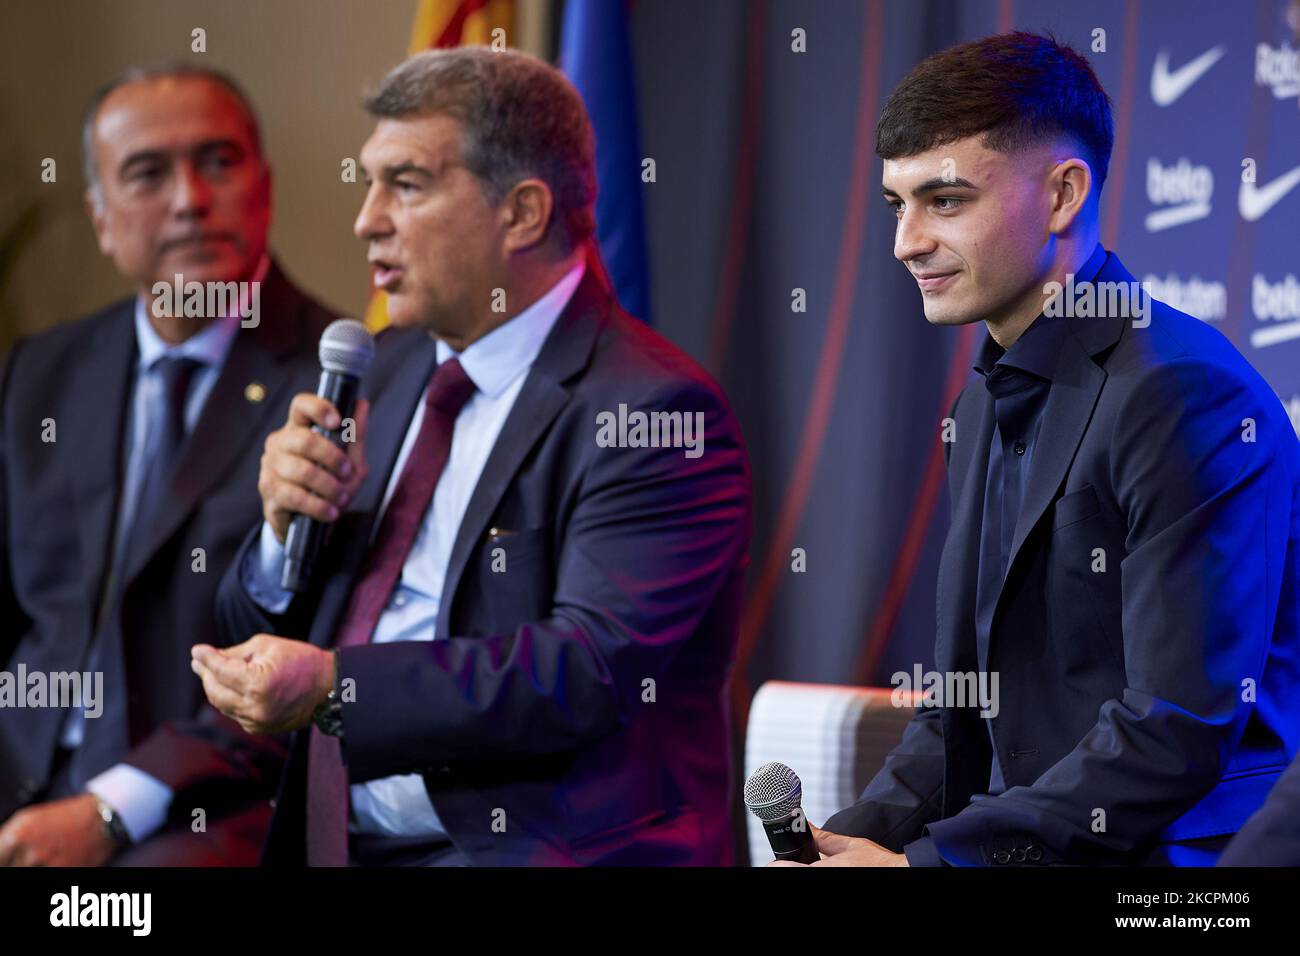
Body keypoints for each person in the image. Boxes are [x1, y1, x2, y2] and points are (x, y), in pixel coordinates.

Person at [197, 47, 753, 866]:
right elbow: (259, 631)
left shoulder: (656, 411)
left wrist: (333, 686)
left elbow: (587, 671)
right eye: (369, 182)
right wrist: (283, 538)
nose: (367, 219)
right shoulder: (381, 371)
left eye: (407, 184)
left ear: (523, 213)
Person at [778, 32, 1300, 868]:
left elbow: (1177, 728)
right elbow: (959, 710)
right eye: (895, 203)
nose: (905, 241)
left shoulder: (1185, 393)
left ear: (1062, 194)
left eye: (944, 200)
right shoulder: (982, 398)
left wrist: (934, 864)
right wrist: (860, 839)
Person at [0, 64, 333, 866]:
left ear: (265, 186)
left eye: (218, 162)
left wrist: (111, 810)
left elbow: (310, 663)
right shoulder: (43, 370)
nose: (189, 198)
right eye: (148, 172)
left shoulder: (341, 383)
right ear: (101, 216)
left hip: (202, 807)